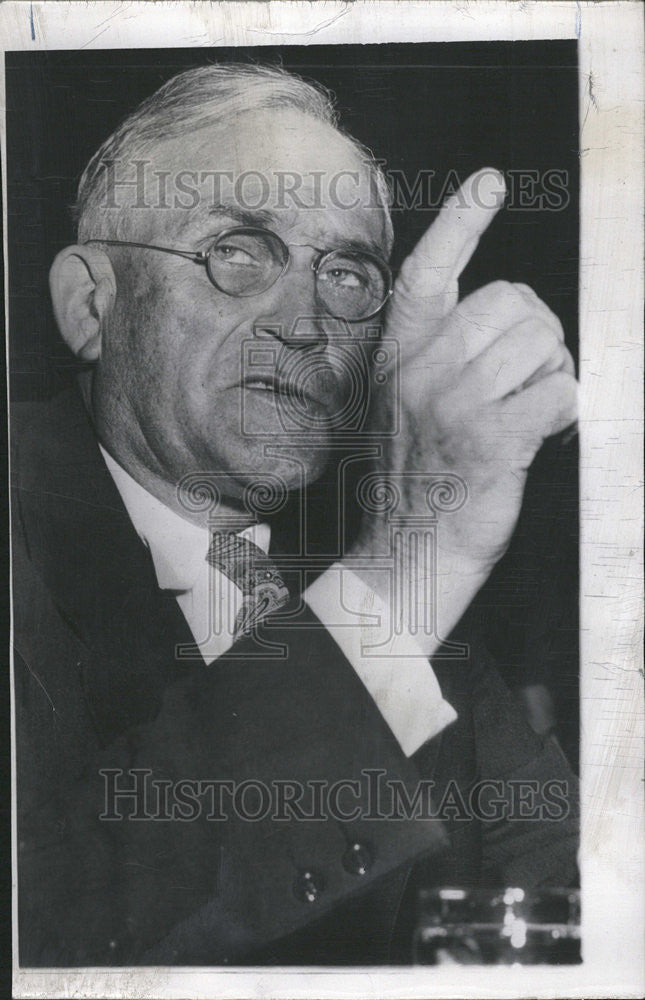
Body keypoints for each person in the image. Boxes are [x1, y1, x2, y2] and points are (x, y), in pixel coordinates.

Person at [12, 63, 579, 966]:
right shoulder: (394, 576)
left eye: (348, 275)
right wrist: (402, 575)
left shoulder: (374, 568)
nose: (309, 324)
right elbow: (44, 917)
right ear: (92, 305)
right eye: (238, 251)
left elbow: (541, 919)